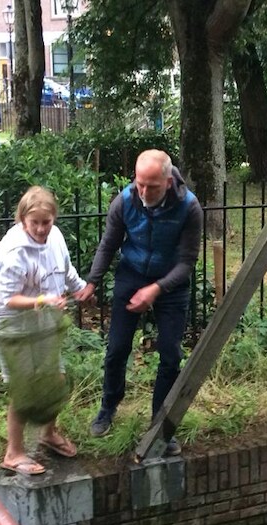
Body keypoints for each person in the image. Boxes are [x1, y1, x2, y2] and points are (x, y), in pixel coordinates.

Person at [73, 150, 203, 456]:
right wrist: (92, 281)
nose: (143, 192)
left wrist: (156, 289)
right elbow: (109, 244)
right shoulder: (126, 200)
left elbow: (187, 262)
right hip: (131, 275)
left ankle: (161, 423)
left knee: (170, 355)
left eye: (152, 186)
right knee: (117, 348)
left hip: (172, 283)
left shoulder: (189, 207)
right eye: (139, 183)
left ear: (169, 182)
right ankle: (108, 407)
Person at [0, 186, 85, 475]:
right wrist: (42, 300)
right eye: (35, 223)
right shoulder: (15, 251)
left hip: (42, 321)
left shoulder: (55, 237)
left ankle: (47, 433)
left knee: (55, 377)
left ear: (54, 219)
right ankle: (13, 454)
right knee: (25, 388)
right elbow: (8, 299)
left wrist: (81, 290)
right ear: (22, 220)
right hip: (10, 324)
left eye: (46, 222)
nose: (41, 229)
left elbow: (66, 271)